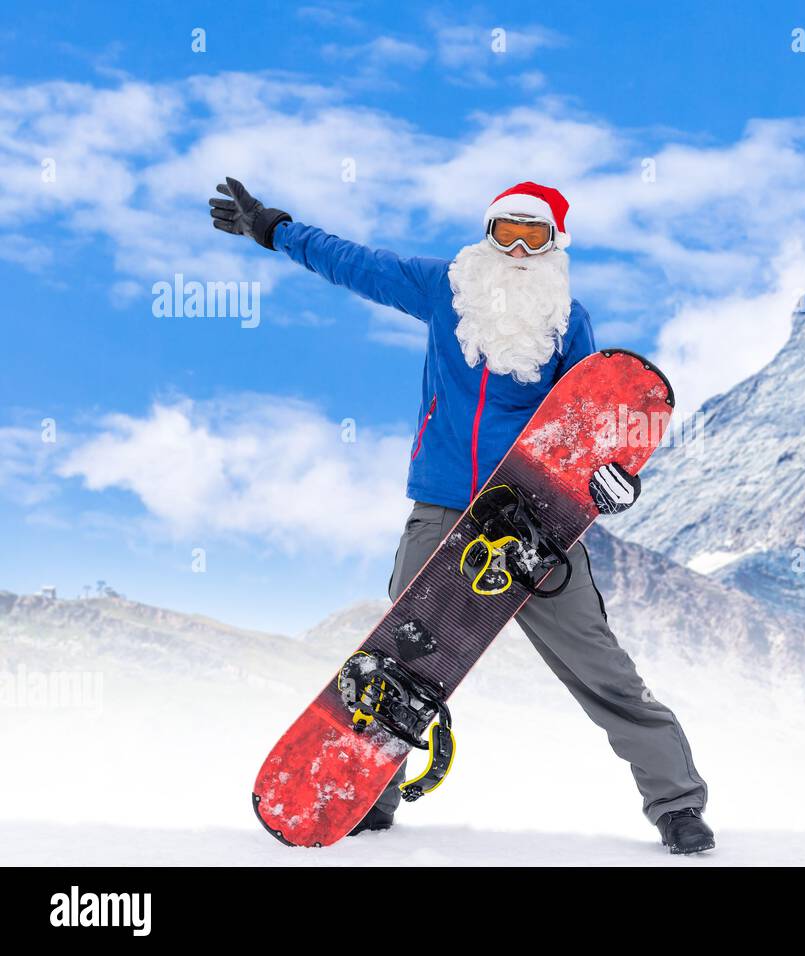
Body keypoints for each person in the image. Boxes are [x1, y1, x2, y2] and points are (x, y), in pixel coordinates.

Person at [209, 178, 713, 854]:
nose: (517, 248)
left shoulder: (568, 320)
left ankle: (677, 805)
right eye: (505, 230)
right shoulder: (443, 290)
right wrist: (273, 228)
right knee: (397, 662)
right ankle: (370, 794)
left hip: (535, 525)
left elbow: (597, 421)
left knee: (602, 669)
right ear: (487, 232)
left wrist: (614, 482)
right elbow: (356, 263)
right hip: (443, 507)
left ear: (554, 244)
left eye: (532, 236)